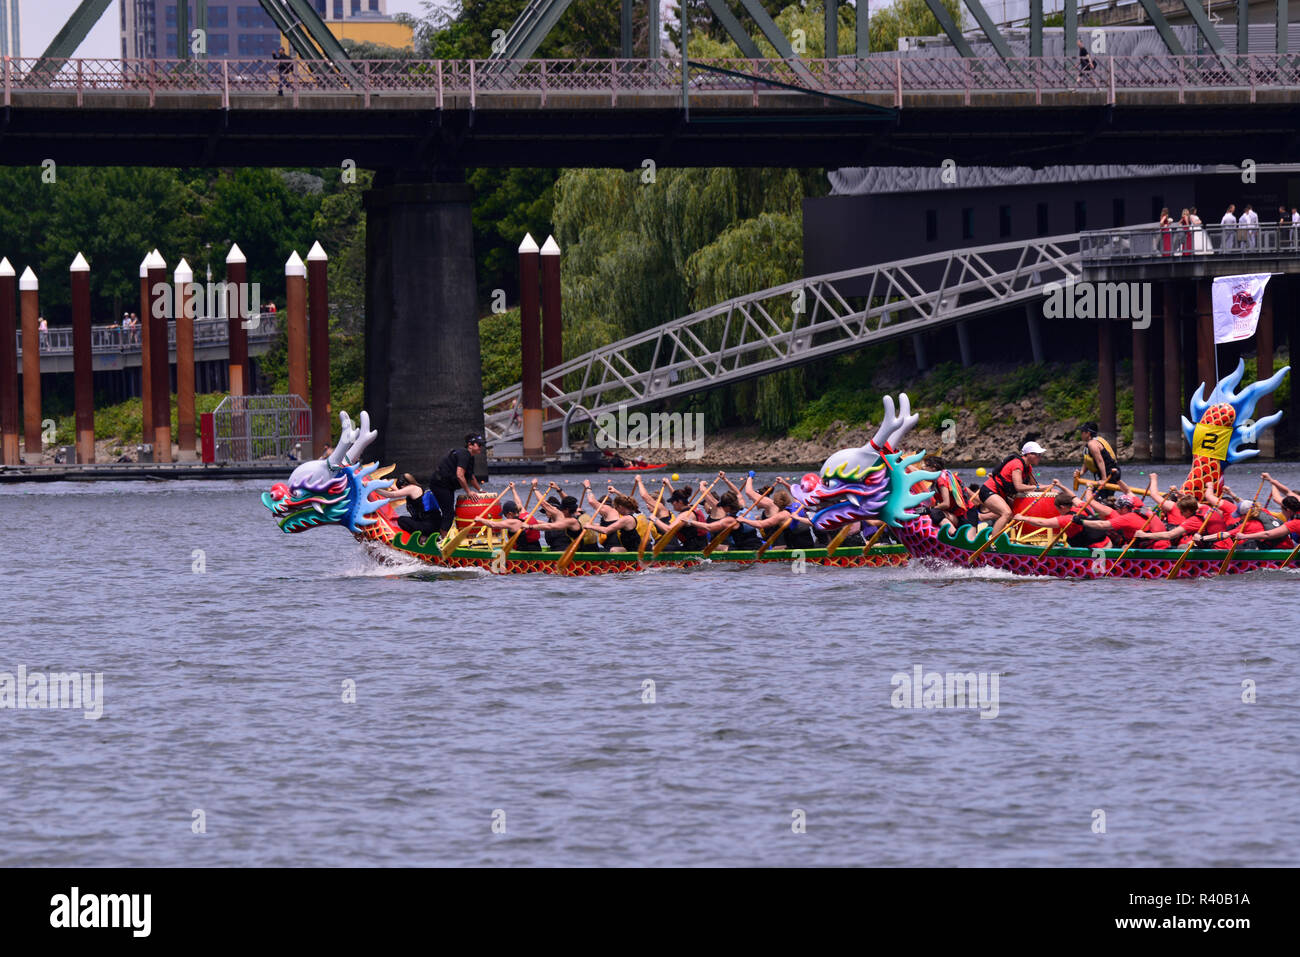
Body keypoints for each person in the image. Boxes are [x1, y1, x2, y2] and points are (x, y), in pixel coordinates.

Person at [978, 441, 1047, 539]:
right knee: (1007, 513)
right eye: (1038, 454)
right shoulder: (1017, 465)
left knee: (1018, 513)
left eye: (1040, 454)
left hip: (1000, 494)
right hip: (989, 490)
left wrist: (1051, 488)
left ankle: (1013, 539)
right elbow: (1019, 487)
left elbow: (1035, 485)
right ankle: (993, 542)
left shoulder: (1028, 467)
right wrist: (1038, 488)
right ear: (1028, 454)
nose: (1040, 457)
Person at [1012, 490, 1111, 548]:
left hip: (1097, 550)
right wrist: (1060, 488)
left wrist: (1022, 518)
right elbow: (1073, 496)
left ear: (1062, 507)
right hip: (1108, 543)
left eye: (1056, 508)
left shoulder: (1067, 519)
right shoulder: (1084, 507)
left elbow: (1042, 522)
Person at [428, 434, 485, 534]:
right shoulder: (464, 454)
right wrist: (468, 492)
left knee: (450, 513)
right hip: (440, 484)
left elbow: (470, 476)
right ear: (470, 445)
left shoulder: (470, 457)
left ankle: (442, 534)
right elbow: (459, 475)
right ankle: (443, 540)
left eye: (482, 445)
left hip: (447, 486)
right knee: (448, 514)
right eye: (479, 444)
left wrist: (480, 490)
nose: (481, 447)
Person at [374, 472, 441, 538]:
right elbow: (398, 491)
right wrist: (388, 484)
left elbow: (392, 494)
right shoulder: (416, 488)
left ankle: (423, 537)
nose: (402, 489)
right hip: (433, 524)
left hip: (429, 526)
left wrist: (374, 488)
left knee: (401, 520)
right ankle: (424, 535)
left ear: (404, 484)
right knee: (403, 519)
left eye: (401, 487)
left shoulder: (412, 488)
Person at [1220, 495, 1300, 549]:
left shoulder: (1295, 523)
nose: (1281, 511)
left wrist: (1244, 536)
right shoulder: (1264, 512)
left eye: (1281, 508)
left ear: (1288, 510)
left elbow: (1267, 534)